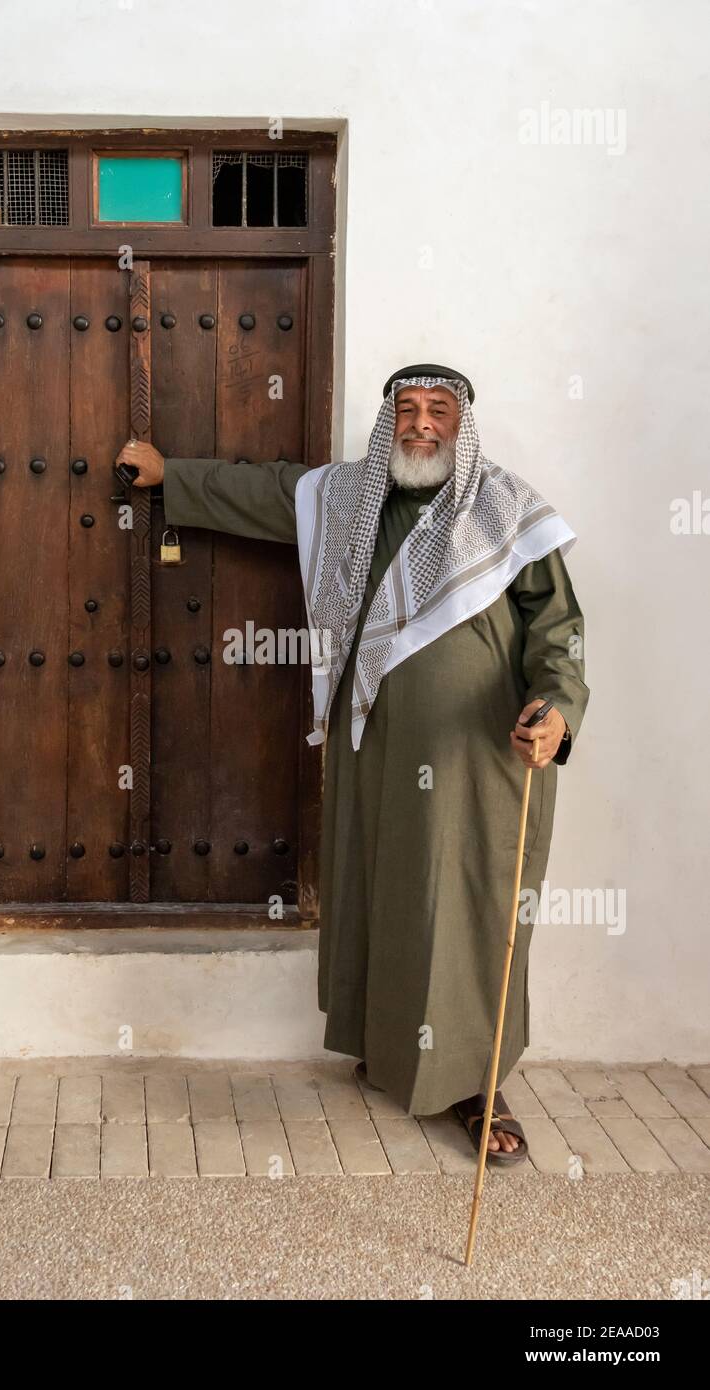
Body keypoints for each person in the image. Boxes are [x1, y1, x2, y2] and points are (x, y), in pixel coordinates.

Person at [116, 363, 589, 1165]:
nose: (421, 424)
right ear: (389, 422)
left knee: (467, 913)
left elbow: (558, 629)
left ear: (462, 424)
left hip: (477, 760)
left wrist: (557, 711)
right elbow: (265, 493)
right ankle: (395, 1048)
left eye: (439, 410)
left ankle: (477, 1086)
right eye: (407, 409)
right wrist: (172, 477)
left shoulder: (503, 509)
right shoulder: (347, 501)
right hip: (375, 750)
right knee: (388, 899)